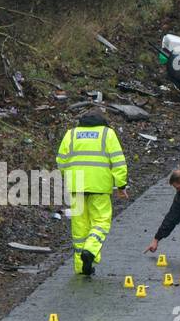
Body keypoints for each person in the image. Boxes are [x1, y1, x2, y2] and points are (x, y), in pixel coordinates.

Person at [55, 111, 128, 277]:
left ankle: (81, 267)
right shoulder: (107, 134)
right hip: (99, 186)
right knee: (101, 221)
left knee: (79, 227)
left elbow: (60, 161)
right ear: (103, 122)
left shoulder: (71, 134)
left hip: (76, 186)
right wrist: (121, 185)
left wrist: (69, 177)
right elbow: (118, 161)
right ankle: (90, 249)